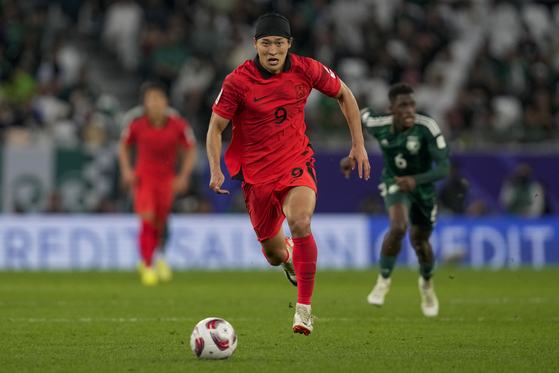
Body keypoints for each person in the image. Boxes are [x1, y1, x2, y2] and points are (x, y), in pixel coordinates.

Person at [206, 13, 370, 336]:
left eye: (279, 43)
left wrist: (359, 145)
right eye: (265, 43)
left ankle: (304, 310)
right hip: (256, 178)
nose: (272, 50)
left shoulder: (306, 69)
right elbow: (215, 128)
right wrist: (215, 169)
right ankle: (288, 259)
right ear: (254, 45)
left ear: (289, 45)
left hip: (296, 163)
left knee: (299, 221)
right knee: (273, 253)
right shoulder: (237, 82)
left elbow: (344, 95)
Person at [341, 82, 450, 317]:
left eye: (412, 104)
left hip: (423, 189)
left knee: (420, 242)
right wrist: (353, 151)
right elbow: (356, 114)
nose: (410, 109)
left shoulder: (427, 126)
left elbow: (444, 167)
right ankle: (384, 279)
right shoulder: (378, 123)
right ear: (392, 108)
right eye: (403, 105)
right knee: (398, 227)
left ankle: (427, 284)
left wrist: (416, 180)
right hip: (394, 182)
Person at [119, 81, 197, 285]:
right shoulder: (136, 124)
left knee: (160, 223)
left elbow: (191, 149)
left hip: (167, 180)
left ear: (165, 101)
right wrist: (127, 170)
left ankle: (159, 257)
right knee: (147, 218)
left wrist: (184, 176)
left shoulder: (177, 124)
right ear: (145, 103)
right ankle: (147, 265)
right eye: (150, 99)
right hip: (144, 179)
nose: (154, 103)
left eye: (157, 98)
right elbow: (124, 147)